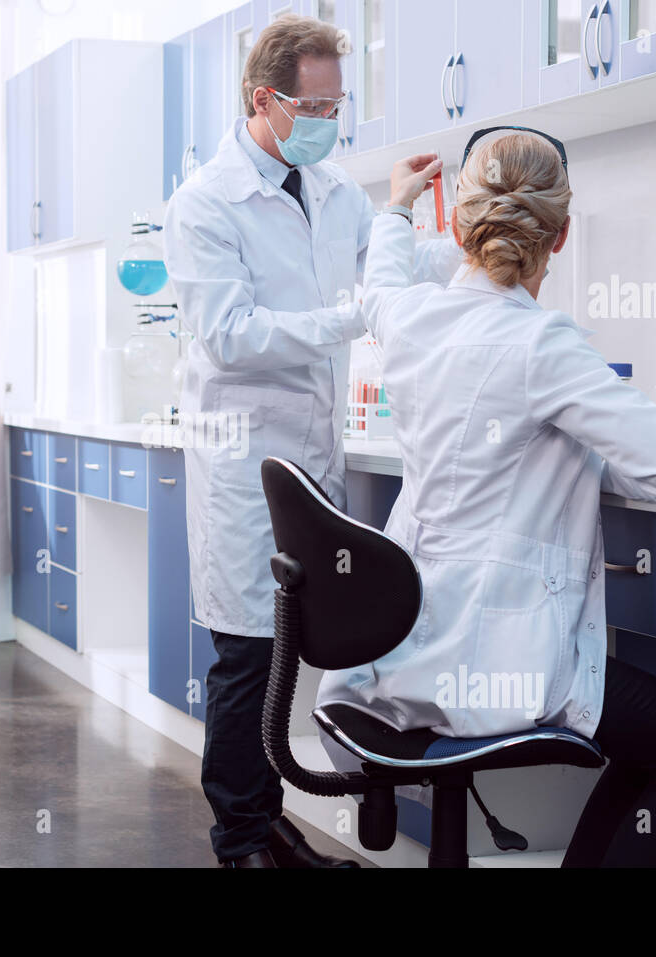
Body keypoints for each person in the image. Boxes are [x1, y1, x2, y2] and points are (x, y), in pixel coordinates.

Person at [314, 129, 656, 867]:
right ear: (559, 236)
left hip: (404, 650)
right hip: (498, 659)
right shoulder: (544, 347)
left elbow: (382, 280)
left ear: (457, 228)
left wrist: (396, 205)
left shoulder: (409, 319)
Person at [163, 14, 461, 868]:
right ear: (268, 99)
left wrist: (470, 236)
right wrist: (347, 319)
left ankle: (271, 822)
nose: (332, 119)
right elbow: (229, 333)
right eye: (317, 103)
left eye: (340, 102)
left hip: (310, 455)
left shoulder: (330, 188)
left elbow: (388, 264)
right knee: (248, 656)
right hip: (244, 463)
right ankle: (241, 841)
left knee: (287, 651)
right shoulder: (205, 202)